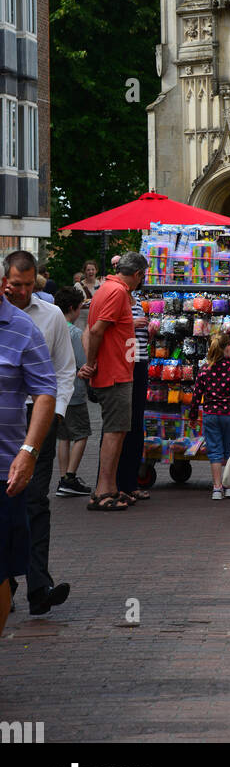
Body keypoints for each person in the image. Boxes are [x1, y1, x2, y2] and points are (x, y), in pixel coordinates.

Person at [3, 251, 77, 616]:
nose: (23, 291)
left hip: (40, 420)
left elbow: (64, 370)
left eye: (30, 285)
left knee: (34, 500)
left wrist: (57, 415)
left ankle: (38, 586)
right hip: (9, 420)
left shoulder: (49, 317)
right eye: (17, 284)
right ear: (5, 281)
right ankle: (9, 582)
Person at [0, 270, 57, 638]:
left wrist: (29, 451)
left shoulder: (22, 328)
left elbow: (45, 392)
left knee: (0, 571)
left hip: (4, 471)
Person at [79, 250, 147, 512]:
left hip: (117, 369)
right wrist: (92, 363)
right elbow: (96, 330)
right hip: (115, 372)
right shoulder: (117, 292)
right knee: (114, 432)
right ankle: (103, 490)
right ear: (138, 274)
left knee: (117, 431)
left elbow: (94, 328)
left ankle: (109, 487)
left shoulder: (109, 288)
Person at [110, 276, 151, 505]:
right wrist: (132, 325)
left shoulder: (134, 301)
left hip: (138, 360)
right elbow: (105, 328)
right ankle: (118, 483)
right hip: (127, 363)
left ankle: (130, 482)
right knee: (124, 425)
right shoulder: (118, 299)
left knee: (136, 424)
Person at [190, 332, 230, 500]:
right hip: (229, 413)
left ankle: (217, 488)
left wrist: (192, 416)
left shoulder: (205, 369)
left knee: (215, 452)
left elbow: (196, 395)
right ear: (227, 348)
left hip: (210, 413)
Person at [54, 287, 92, 497]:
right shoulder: (75, 333)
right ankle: (70, 476)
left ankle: (62, 477)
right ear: (72, 308)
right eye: (79, 307)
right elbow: (83, 364)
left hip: (57, 391)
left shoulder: (53, 327)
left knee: (64, 437)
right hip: (74, 391)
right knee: (82, 434)